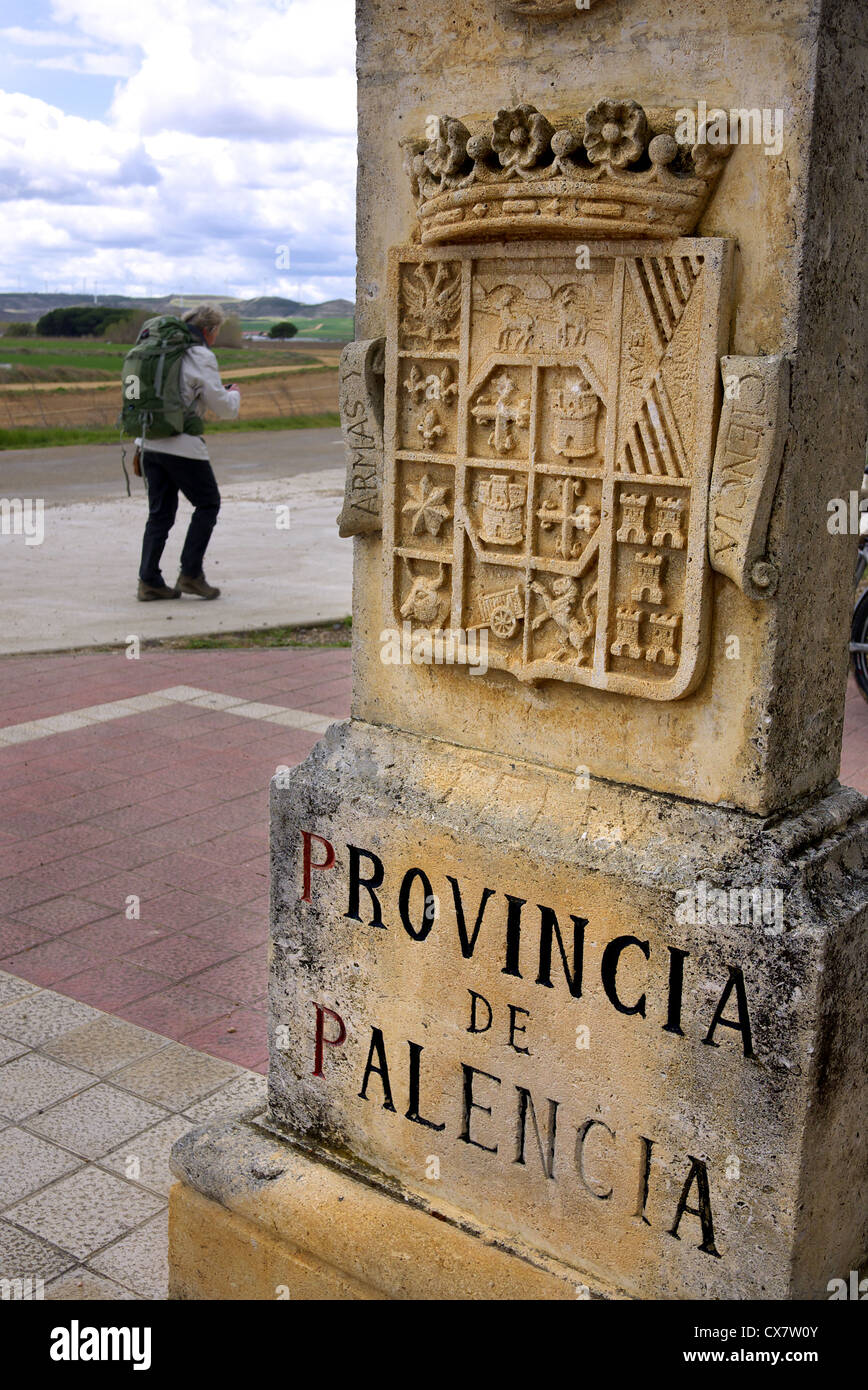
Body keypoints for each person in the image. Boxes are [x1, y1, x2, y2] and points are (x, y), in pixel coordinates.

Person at [137, 305, 241, 601]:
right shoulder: (200, 355)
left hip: (147, 441)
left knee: (160, 514)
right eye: (217, 332)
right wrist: (233, 394)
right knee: (208, 504)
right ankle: (191, 575)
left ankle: (149, 581)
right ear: (210, 330)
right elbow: (223, 407)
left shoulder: (155, 352)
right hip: (181, 445)